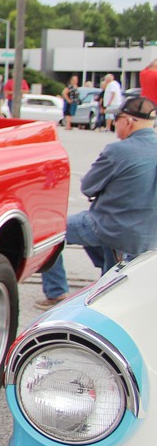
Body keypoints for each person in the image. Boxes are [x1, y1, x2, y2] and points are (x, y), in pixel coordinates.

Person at [39, 95, 157, 307]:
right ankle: (107, 281)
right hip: (148, 234)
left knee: (49, 232)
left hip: (110, 227)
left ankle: (56, 292)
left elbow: (88, 187)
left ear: (128, 121)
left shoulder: (118, 150)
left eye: (117, 119)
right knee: (107, 246)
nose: (115, 124)